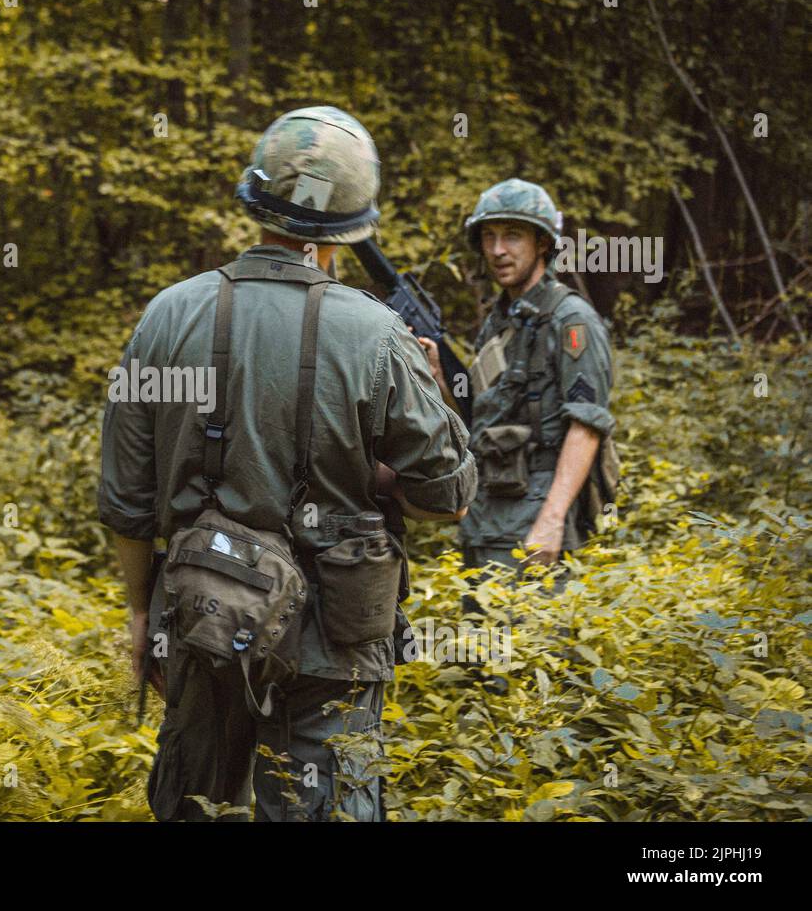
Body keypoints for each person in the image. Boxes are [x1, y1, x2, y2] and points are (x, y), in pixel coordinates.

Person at [98, 106, 476, 821]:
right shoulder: (378, 335)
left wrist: (144, 614)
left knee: (194, 807)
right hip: (330, 642)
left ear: (256, 200)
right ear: (352, 226)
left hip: (204, 617)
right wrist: (420, 405)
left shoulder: (165, 316)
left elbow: (127, 498)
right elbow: (448, 496)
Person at [417, 178, 615, 592]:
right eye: (488, 237)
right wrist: (441, 379)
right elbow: (484, 417)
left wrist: (552, 519)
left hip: (535, 523)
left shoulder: (569, 318)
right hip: (487, 518)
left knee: (533, 651)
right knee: (481, 653)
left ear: (542, 243)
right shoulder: (501, 320)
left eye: (512, 236)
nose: (497, 250)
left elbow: (587, 425)